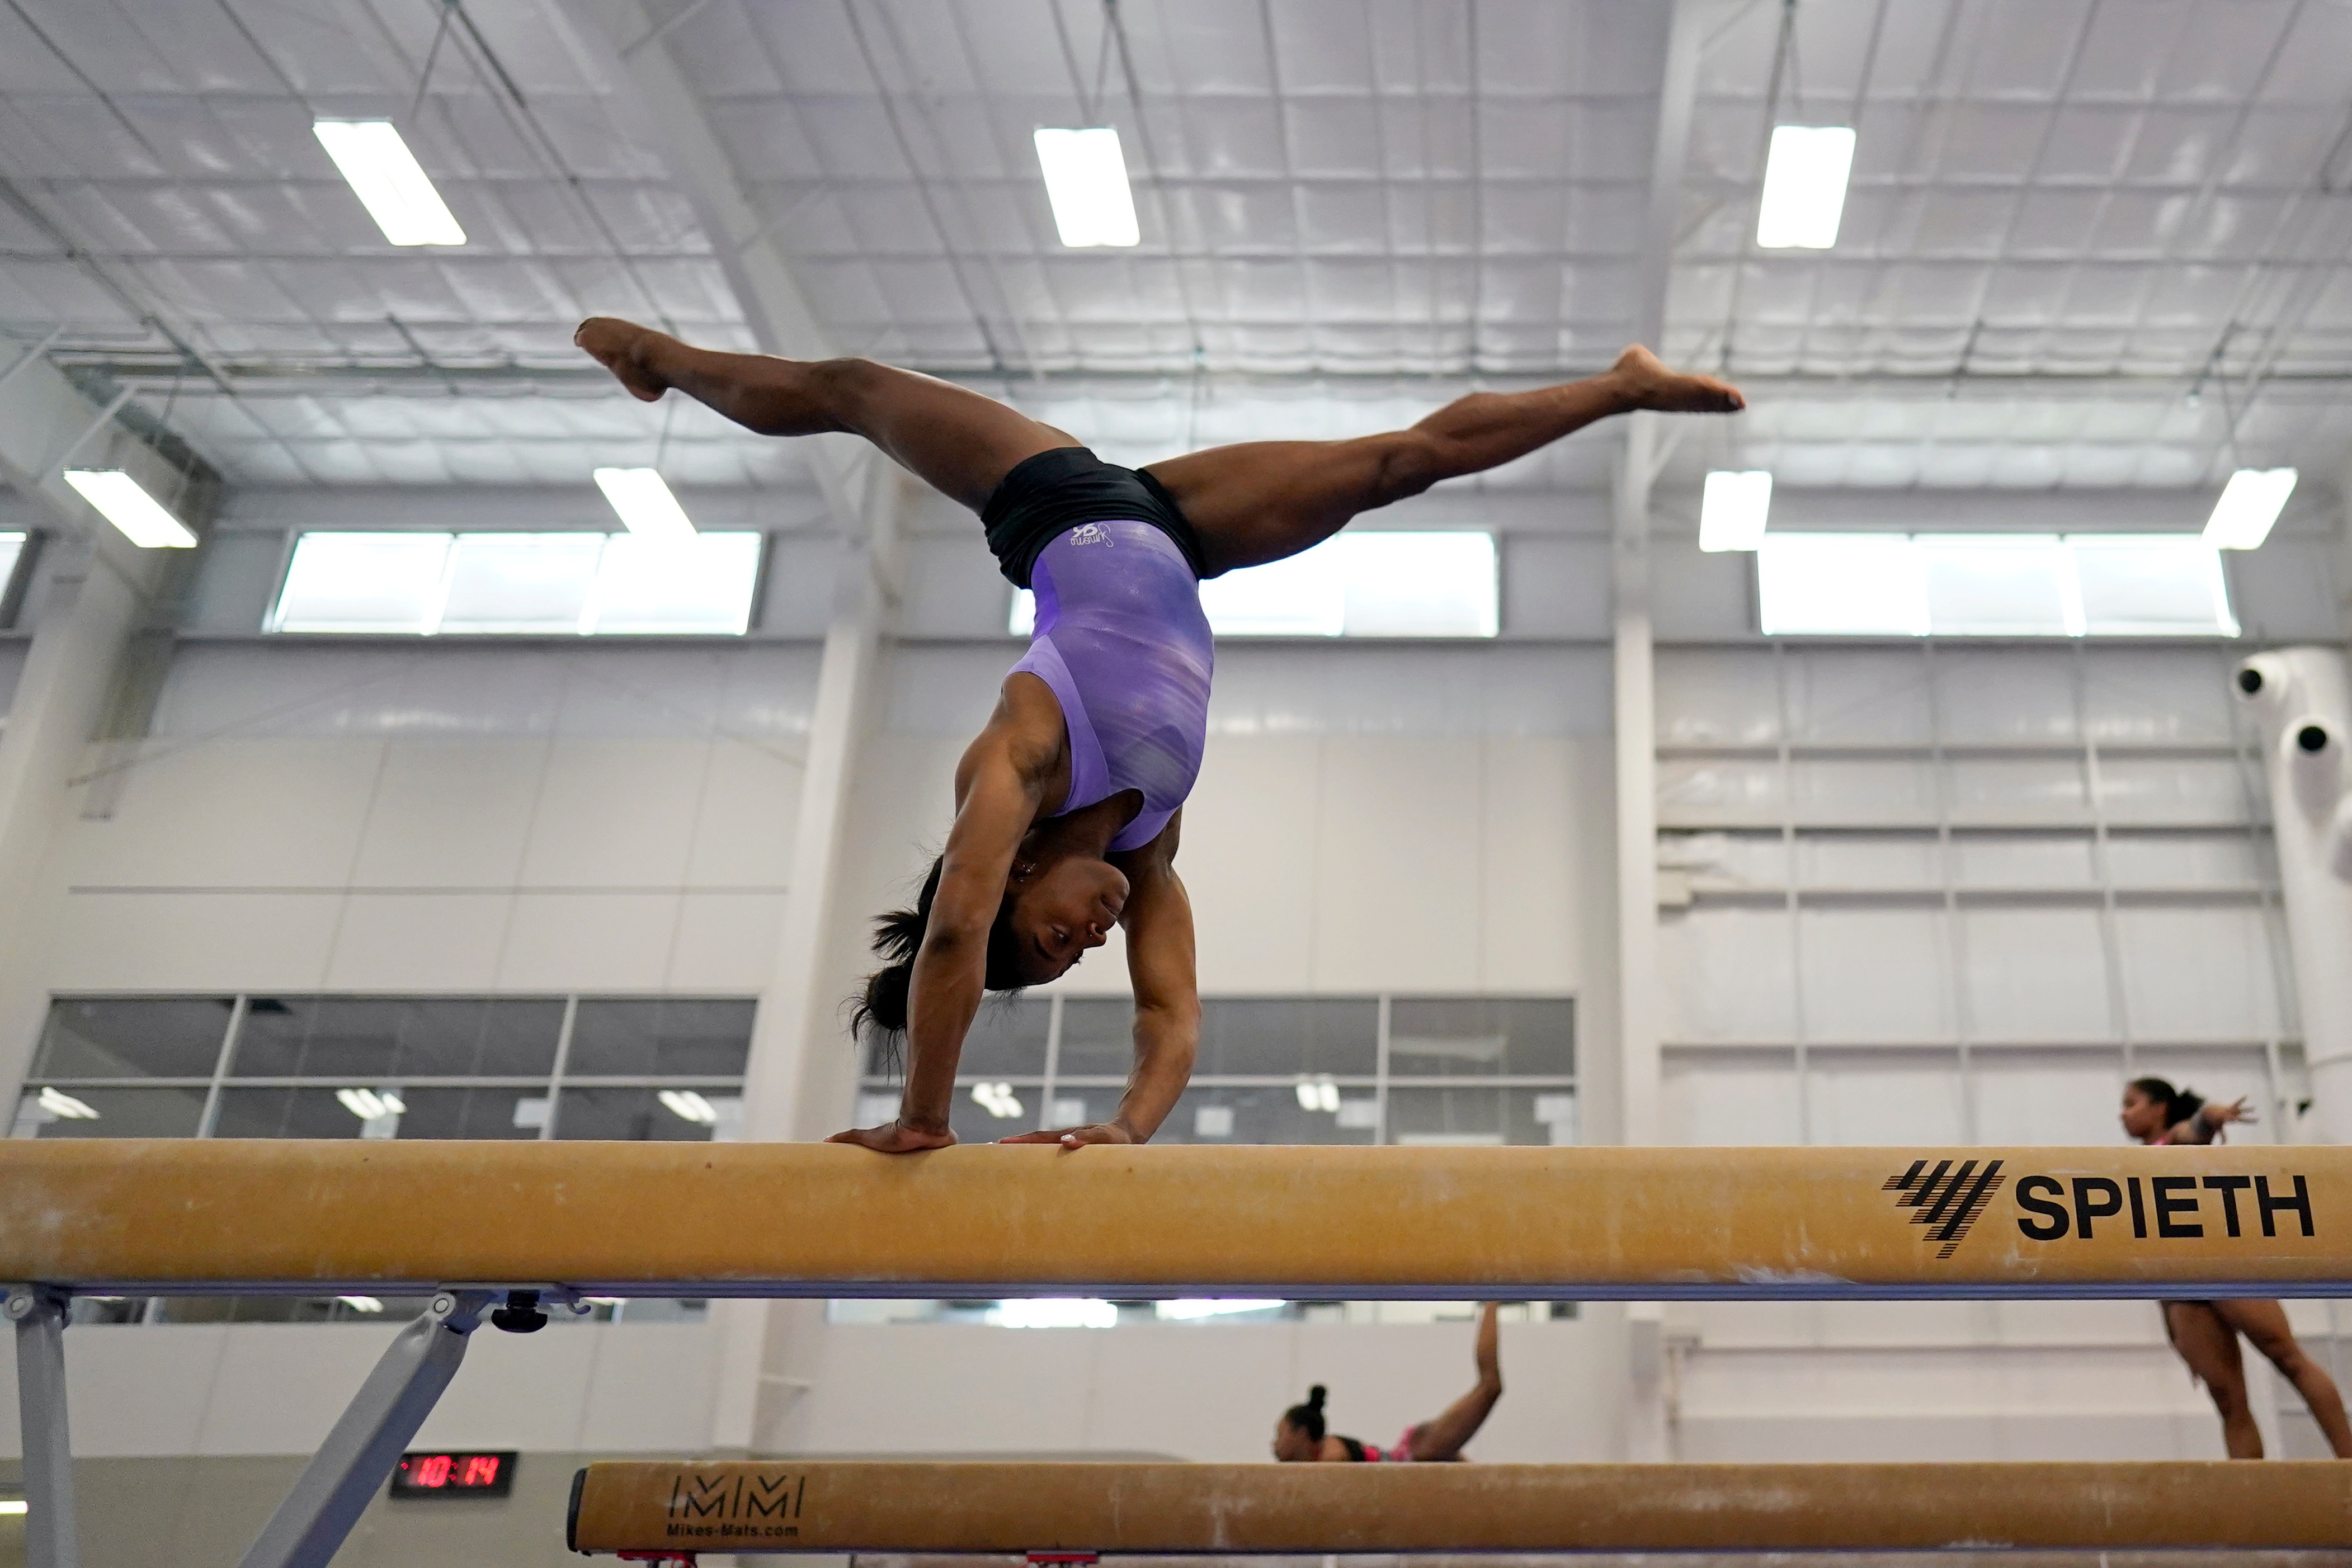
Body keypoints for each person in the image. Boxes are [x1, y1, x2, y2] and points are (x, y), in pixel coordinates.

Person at [577, 318, 1743, 1154]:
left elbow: (953, 935)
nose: (1086, 938)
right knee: (1400, 467)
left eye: (1051, 938)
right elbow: (1171, 1014)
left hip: (1049, 500)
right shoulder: (1151, 841)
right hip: (1180, 534)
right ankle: (1621, 386)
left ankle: (660, 359)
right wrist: (1128, 1132)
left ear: (1019, 868)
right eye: (1075, 955)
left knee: (850, 386)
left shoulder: (1017, 757)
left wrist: (926, 1117)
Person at [2119, 1076, 2352, 1459]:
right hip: (2179, 1288)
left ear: (2159, 1107)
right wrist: (2170, 1326)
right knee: (2229, 1401)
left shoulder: (2171, 1142)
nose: (2122, 1113)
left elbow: (2194, 1129)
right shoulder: (2130, 1167)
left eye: (2132, 1103)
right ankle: (2254, 1504)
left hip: (2218, 1264)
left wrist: (2211, 1116)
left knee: (2288, 1358)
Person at [1274, 1303, 1505, 1462]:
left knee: (1490, 1387)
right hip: (1412, 1463)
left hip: (1411, 1458)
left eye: (1280, 1433)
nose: (1274, 1443)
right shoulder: (1309, 1468)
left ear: (1301, 1434)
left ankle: (1492, 1297)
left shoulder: (1330, 1452)